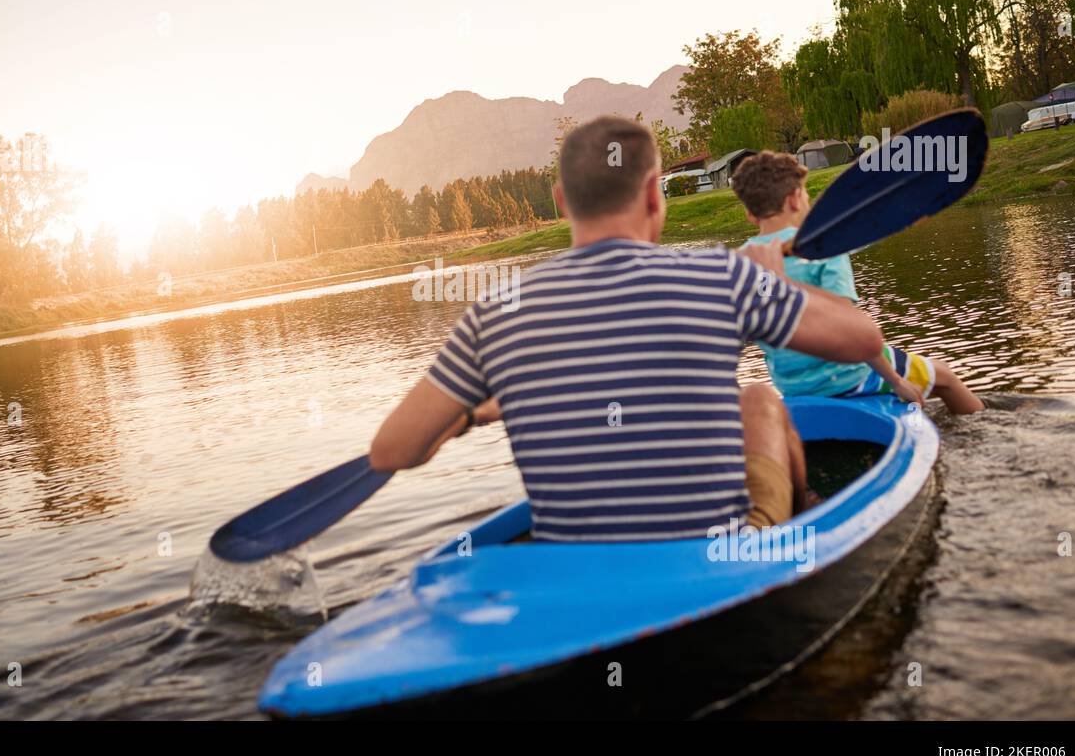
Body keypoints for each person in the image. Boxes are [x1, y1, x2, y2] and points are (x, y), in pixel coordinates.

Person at [369, 116, 884, 540]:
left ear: (563, 202)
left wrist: (473, 413)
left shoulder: (495, 310)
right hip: (712, 556)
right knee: (760, 401)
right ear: (655, 198)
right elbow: (865, 340)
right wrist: (774, 283)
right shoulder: (721, 277)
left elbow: (392, 451)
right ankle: (796, 523)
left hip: (580, 569)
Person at [731, 150, 983, 414]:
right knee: (945, 376)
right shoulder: (826, 249)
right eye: (805, 195)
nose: (807, 200)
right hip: (851, 377)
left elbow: (763, 314)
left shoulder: (746, 262)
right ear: (795, 199)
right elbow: (850, 329)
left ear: (750, 213)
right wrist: (895, 381)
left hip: (792, 387)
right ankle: (979, 426)